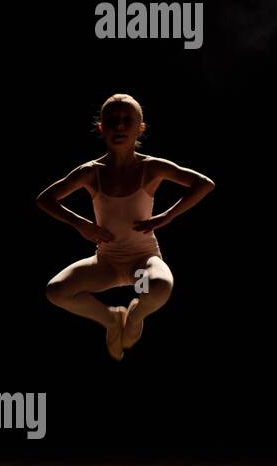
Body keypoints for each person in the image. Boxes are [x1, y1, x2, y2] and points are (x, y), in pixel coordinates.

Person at [38, 94, 215, 360]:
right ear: (102, 128)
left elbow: (204, 183)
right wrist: (81, 224)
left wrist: (168, 215)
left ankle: (134, 316)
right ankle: (110, 319)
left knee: (160, 286)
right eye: (112, 121)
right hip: (106, 265)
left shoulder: (150, 168)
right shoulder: (92, 171)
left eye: (126, 121)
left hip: (141, 264)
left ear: (139, 128)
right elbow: (45, 199)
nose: (119, 126)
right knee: (56, 291)